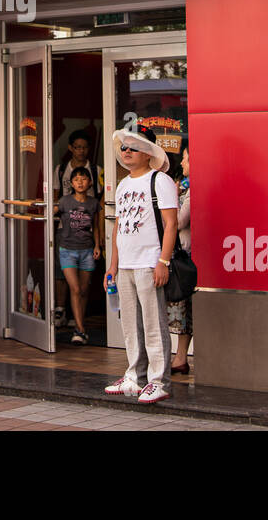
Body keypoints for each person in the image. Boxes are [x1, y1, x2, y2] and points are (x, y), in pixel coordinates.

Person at [104, 128, 178, 404]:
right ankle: (135, 376)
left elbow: (170, 224)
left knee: (153, 324)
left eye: (133, 147)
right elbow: (118, 228)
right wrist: (112, 266)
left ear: (148, 153)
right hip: (125, 265)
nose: (126, 151)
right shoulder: (123, 185)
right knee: (131, 325)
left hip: (149, 263)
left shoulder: (160, 181)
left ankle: (159, 381)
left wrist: (163, 261)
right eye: (124, 147)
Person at [56, 165, 102, 346]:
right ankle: (80, 329)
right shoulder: (64, 202)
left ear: (90, 182)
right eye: (76, 180)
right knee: (75, 289)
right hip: (67, 249)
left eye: (84, 179)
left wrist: (97, 245)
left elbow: (96, 226)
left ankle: (79, 326)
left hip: (87, 250)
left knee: (83, 291)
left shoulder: (93, 203)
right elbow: (49, 214)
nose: (80, 182)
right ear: (71, 183)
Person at [168, 140, 193, 375]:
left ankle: (180, 357)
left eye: (186, 157)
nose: (183, 162)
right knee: (183, 310)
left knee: (186, 308)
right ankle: (180, 357)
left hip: (189, 258)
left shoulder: (193, 190)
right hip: (184, 255)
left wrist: (172, 197)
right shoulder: (185, 187)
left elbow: (178, 221)